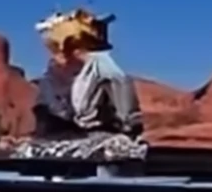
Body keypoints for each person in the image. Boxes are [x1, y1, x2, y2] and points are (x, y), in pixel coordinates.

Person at [32, 9, 144, 139]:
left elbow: (122, 94)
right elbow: (46, 114)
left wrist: (129, 124)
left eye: (58, 51)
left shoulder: (101, 67)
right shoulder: (50, 79)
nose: (56, 56)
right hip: (61, 138)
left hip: (99, 136)